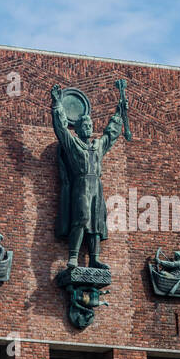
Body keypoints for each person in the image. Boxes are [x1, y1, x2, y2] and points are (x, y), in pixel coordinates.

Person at [51, 84, 127, 270]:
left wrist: (119, 112)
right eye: (84, 125)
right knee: (82, 217)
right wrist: (57, 105)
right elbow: (61, 129)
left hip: (96, 186)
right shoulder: (73, 144)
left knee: (96, 222)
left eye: (90, 125)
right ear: (76, 129)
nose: (87, 127)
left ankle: (94, 258)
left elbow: (111, 134)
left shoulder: (97, 146)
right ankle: (74, 257)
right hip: (81, 183)